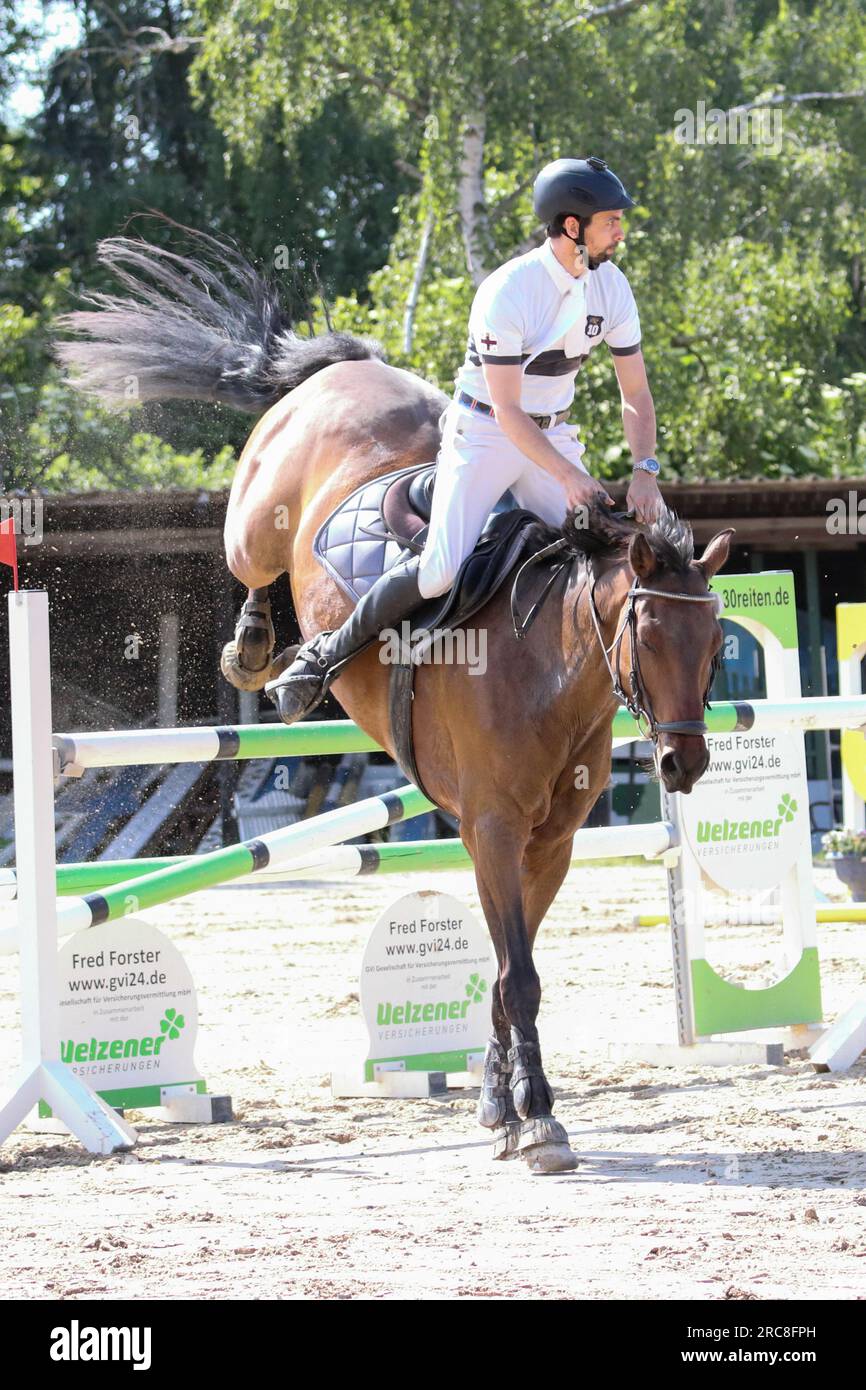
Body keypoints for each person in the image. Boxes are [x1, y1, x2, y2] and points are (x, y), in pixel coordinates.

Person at [267, 154, 663, 724]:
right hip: (485, 433)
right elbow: (506, 412)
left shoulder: (613, 287)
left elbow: (636, 394)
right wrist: (570, 476)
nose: (622, 230)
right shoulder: (508, 291)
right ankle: (323, 656)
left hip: (553, 434)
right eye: (611, 220)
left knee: (608, 555)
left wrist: (645, 470)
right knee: (440, 571)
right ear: (572, 227)